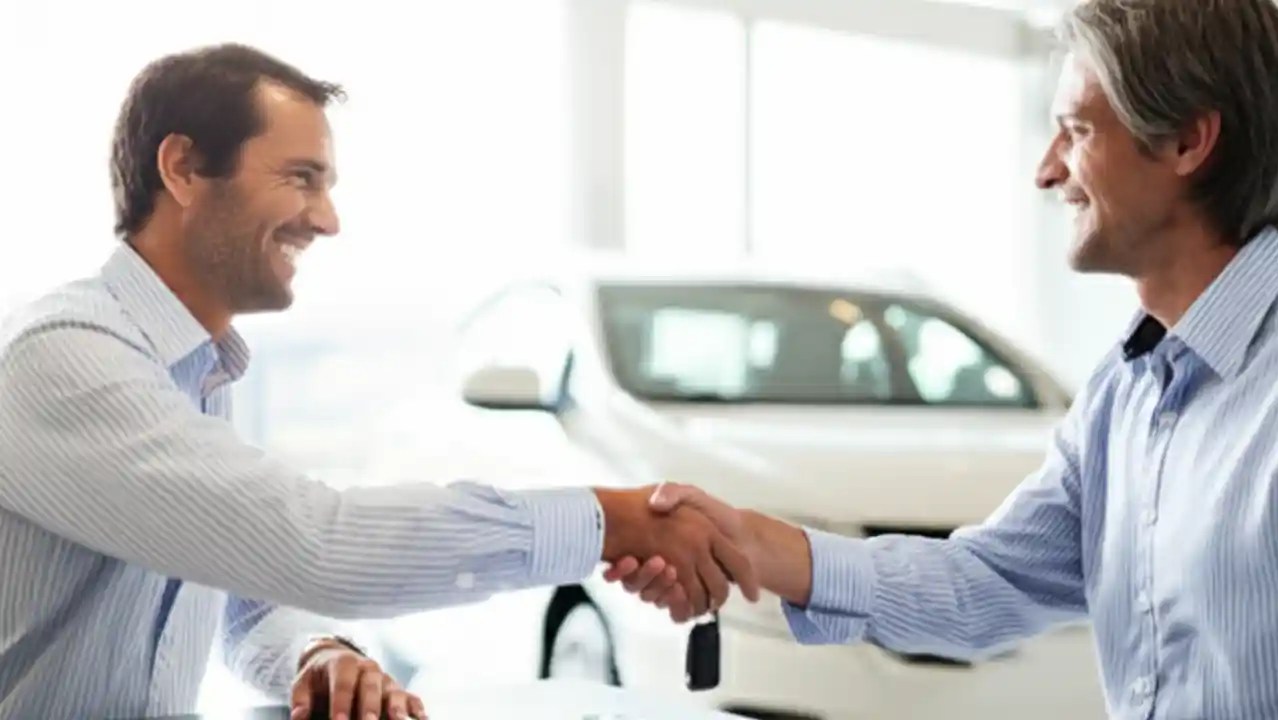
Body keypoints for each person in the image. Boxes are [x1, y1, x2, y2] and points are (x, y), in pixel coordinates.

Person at [0, 44, 758, 720]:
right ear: (184, 168)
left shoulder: (194, 370)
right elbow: (313, 540)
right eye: (301, 179)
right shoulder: (68, 357)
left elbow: (238, 592)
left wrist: (317, 654)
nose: (326, 220)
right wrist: (606, 520)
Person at [611, 0, 1278, 717]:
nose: (1046, 172)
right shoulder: (1129, 390)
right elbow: (984, 583)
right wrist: (751, 542)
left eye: (1077, 131)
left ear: (1188, 140)